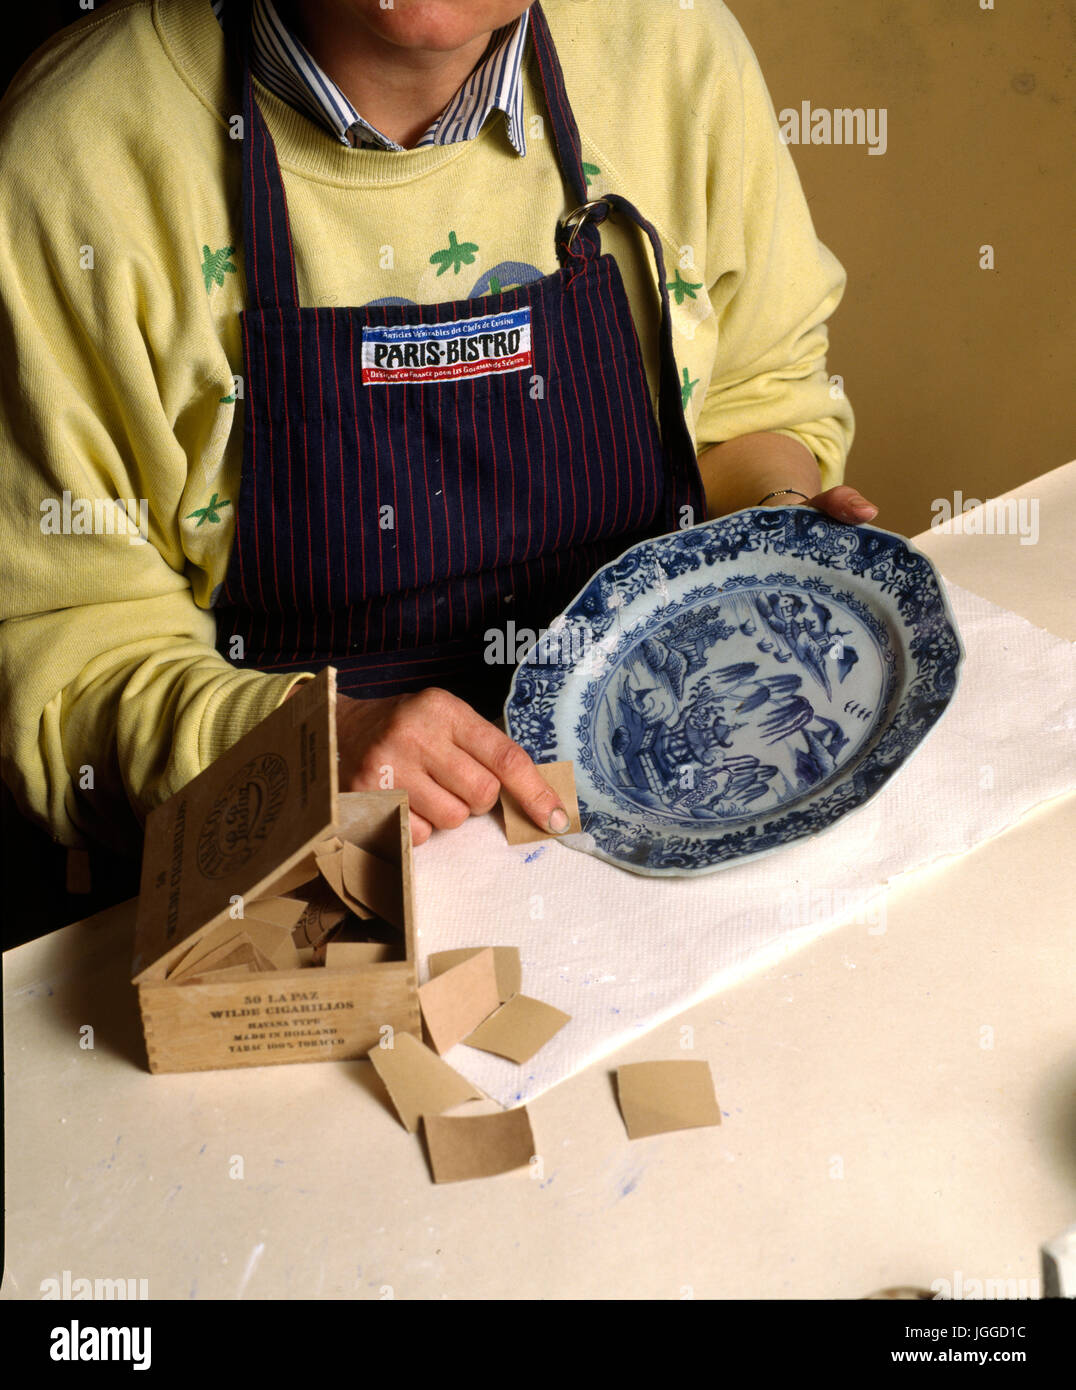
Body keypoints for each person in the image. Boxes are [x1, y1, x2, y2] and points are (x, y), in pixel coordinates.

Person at [0, 0, 877, 856]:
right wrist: (311, 749)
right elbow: (63, 668)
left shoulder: (674, 48)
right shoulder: (71, 154)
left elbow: (751, 401)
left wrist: (778, 527)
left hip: (663, 796)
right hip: (300, 867)